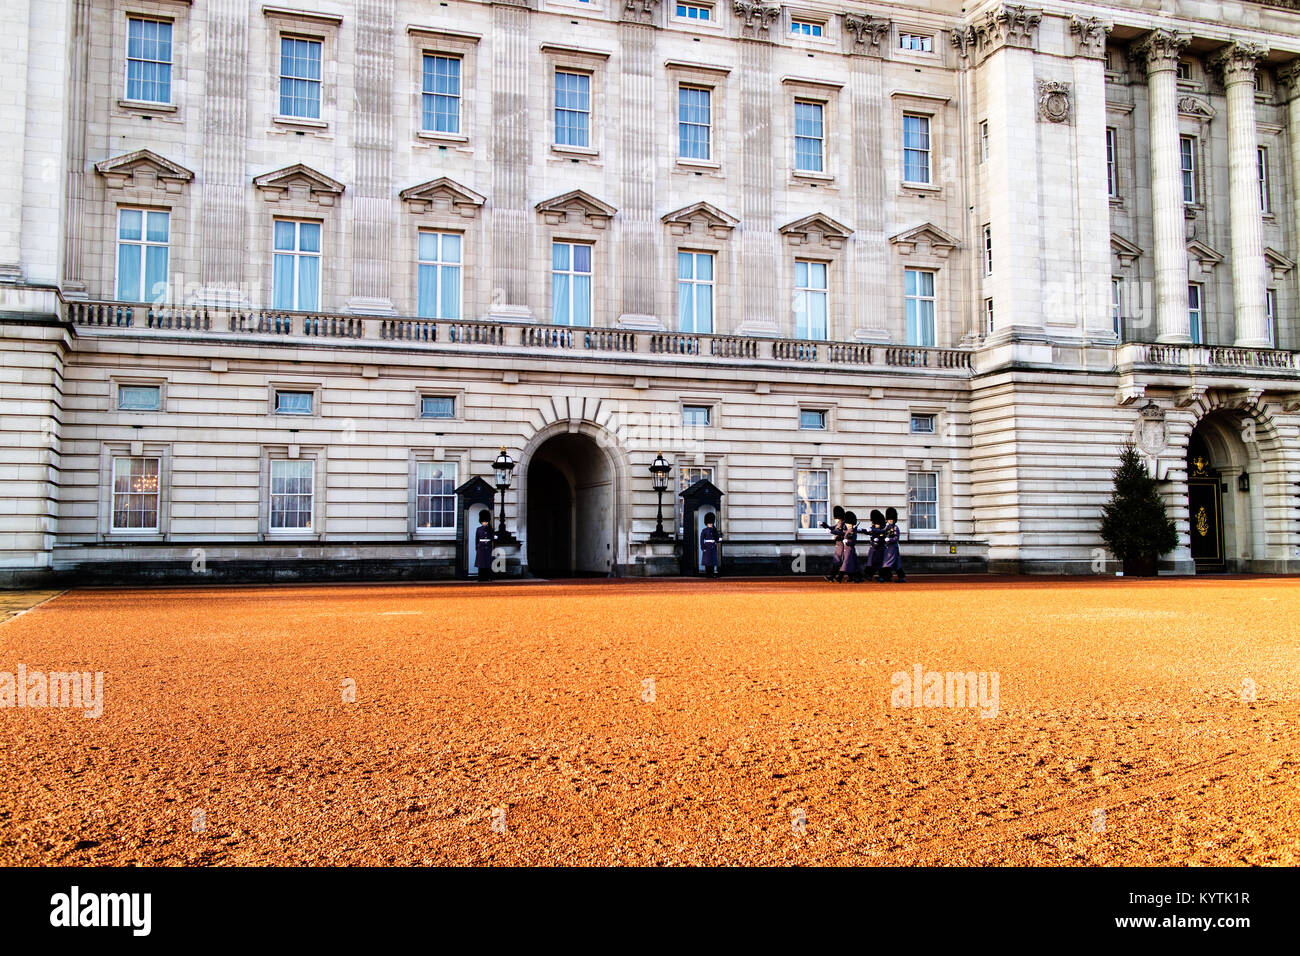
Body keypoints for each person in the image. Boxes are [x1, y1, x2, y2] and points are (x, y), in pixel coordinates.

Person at [819, 505, 846, 582]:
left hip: (842, 545)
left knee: (839, 561)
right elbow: (831, 528)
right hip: (838, 545)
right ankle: (833, 576)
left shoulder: (844, 525)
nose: (836, 520)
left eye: (837, 518)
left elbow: (843, 533)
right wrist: (824, 525)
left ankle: (833, 576)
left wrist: (835, 535)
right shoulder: (838, 524)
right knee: (837, 561)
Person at [883, 507, 906, 582]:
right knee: (895, 564)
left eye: (891, 520)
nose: (889, 521)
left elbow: (896, 538)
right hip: (888, 548)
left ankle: (888, 577)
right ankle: (898, 577)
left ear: (894, 520)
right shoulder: (887, 527)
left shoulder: (896, 528)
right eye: (889, 520)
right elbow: (882, 532)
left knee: (888, 563)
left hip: (893, 548)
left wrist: (890, 539)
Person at [838, 511, 861, 583]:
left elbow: (853, 542)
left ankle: (839, 578)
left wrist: (847, 542)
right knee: (852, 565)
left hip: (849, 550)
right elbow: (841, 533)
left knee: (845, 564)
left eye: (848, 523)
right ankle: (855, 578)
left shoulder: (853, 532)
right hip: (846, 550)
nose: (847, 525)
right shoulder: (849, 530)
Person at [866, 509, 886, 582]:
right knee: (871, 563)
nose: (874, 525)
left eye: (876, 524)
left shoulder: (883, 530)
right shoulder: (874, 528)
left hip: (880, 548)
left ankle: (882, 576)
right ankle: (869, 575)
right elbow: (868, 531)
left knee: (880, 564)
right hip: (873, 548)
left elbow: (881, 535)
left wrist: (878, 540)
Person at [474, 510, 495, 582]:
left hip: (488, 547)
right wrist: (477, 547)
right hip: (481, 547)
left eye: (485, 522)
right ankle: (481, 577)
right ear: (481, 521)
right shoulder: (478, 529)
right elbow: (477, 539)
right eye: (483, 522)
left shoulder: (490, 529)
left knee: (488, 563)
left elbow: (492, 538)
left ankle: (488, 577)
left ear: (487, 521)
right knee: (481, 563)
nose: (484, 523)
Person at [700, 512, 722, 578]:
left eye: (711, 522)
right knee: (707, 561)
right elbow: (701, 540)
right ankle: (708, 573)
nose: (711, 524)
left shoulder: (714, 530)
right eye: (710, 522)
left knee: (712, 561)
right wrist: (703, 547)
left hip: (713, 546)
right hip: (707, 546)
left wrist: (719, 538)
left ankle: (712, 573)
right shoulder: (704, 530)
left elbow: (717, 539)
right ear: (707, 523)